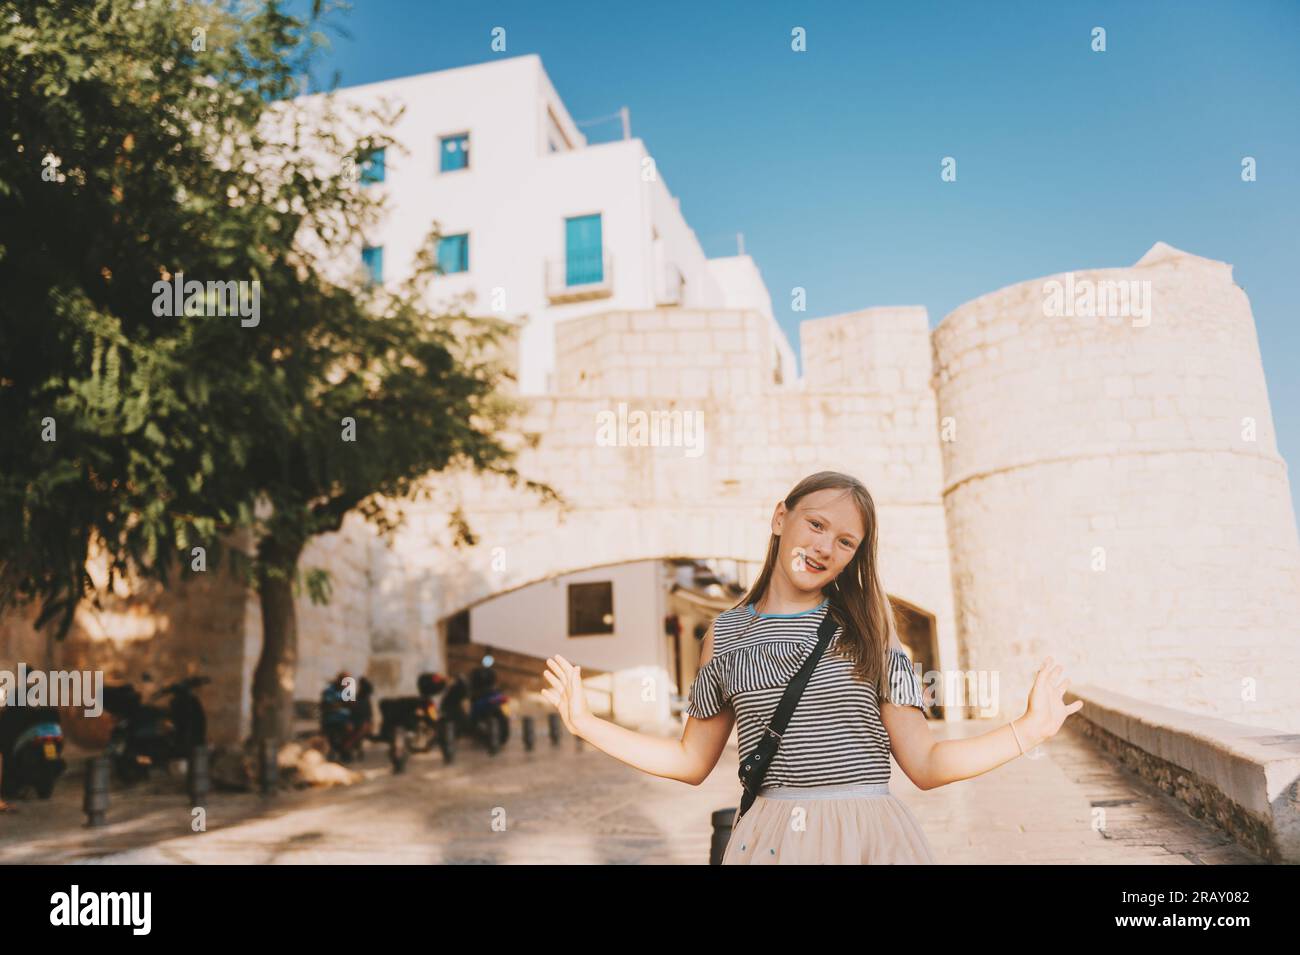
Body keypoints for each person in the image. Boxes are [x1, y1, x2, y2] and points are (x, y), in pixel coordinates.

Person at [542, 470, 1083, 865]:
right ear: (781, 517)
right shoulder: (725, 634)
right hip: (773, 839)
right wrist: (587, 724)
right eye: (816, 524)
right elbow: (690, 760)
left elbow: (927, 762)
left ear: (855, 555)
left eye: (845, 541)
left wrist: (1027, 730)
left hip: (869, 838)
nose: (825, 547)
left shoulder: (872, 632)